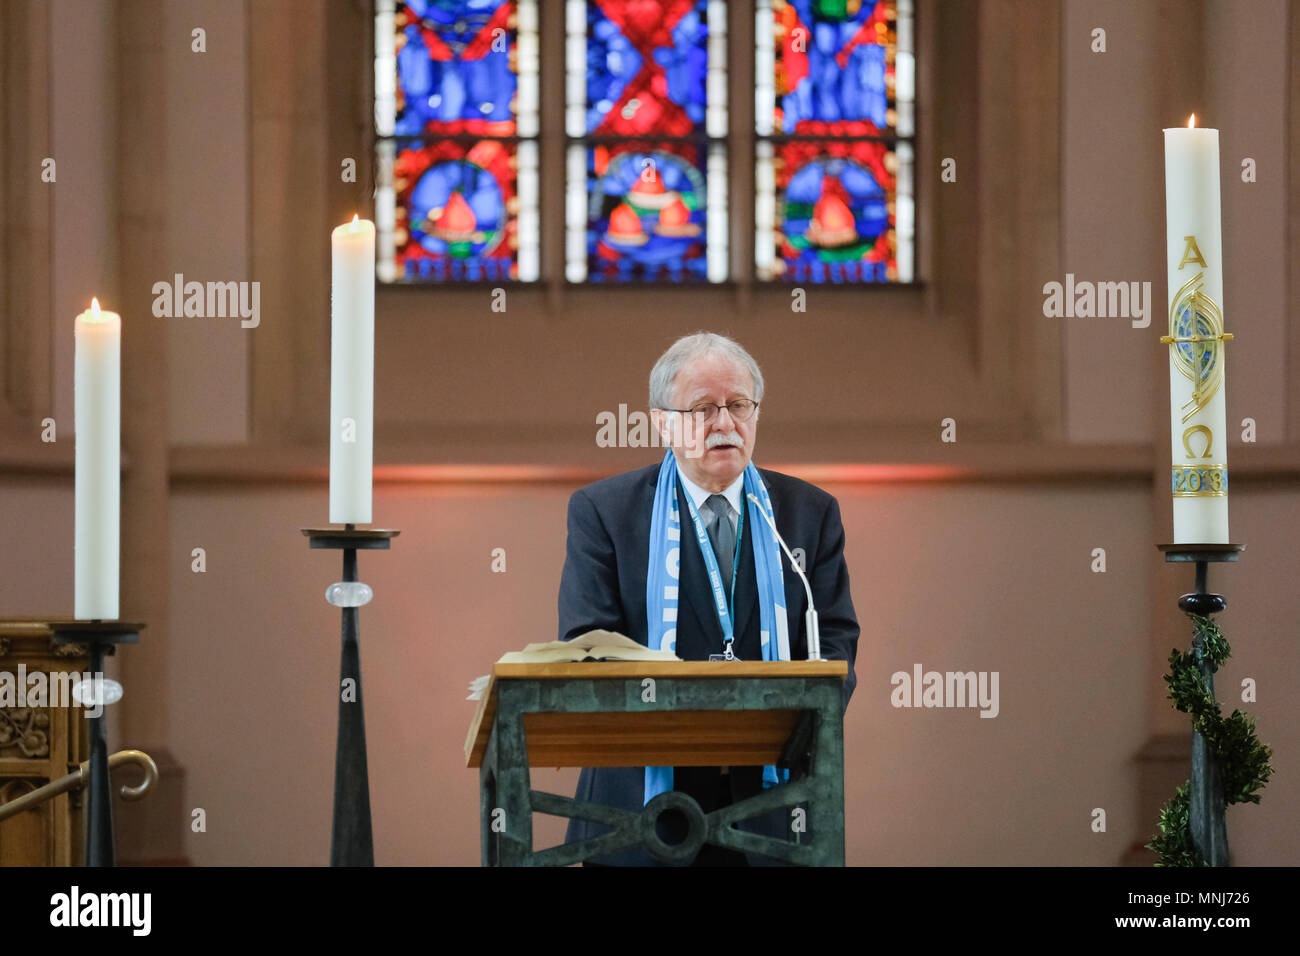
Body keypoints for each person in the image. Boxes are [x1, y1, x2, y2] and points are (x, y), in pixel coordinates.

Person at [556, 331, 860, 866]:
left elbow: (834, 640)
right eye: (702, 408)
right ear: (661, 422)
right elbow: (588, 644)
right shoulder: (605, 511)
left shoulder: (808, 513)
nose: (725, 423)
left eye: (738, 405)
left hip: (773, 803)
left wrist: (795, 734)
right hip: (637, 805)